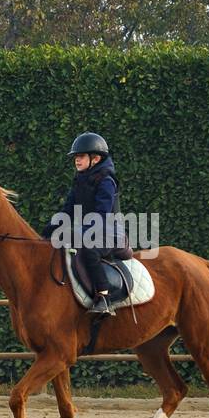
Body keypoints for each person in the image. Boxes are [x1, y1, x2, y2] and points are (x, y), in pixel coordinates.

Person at [41, 132, 121, 315]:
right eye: (75, 157)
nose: (76, 161)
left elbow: (101, 214)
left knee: (88, 249)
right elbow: (68, 209)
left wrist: (80, 232)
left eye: (80, 156)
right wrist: (53, 226)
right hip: (89, 230)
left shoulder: (107, 181)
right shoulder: (80, 180)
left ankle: (104, 297)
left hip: (109, 233)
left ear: (96, 158)